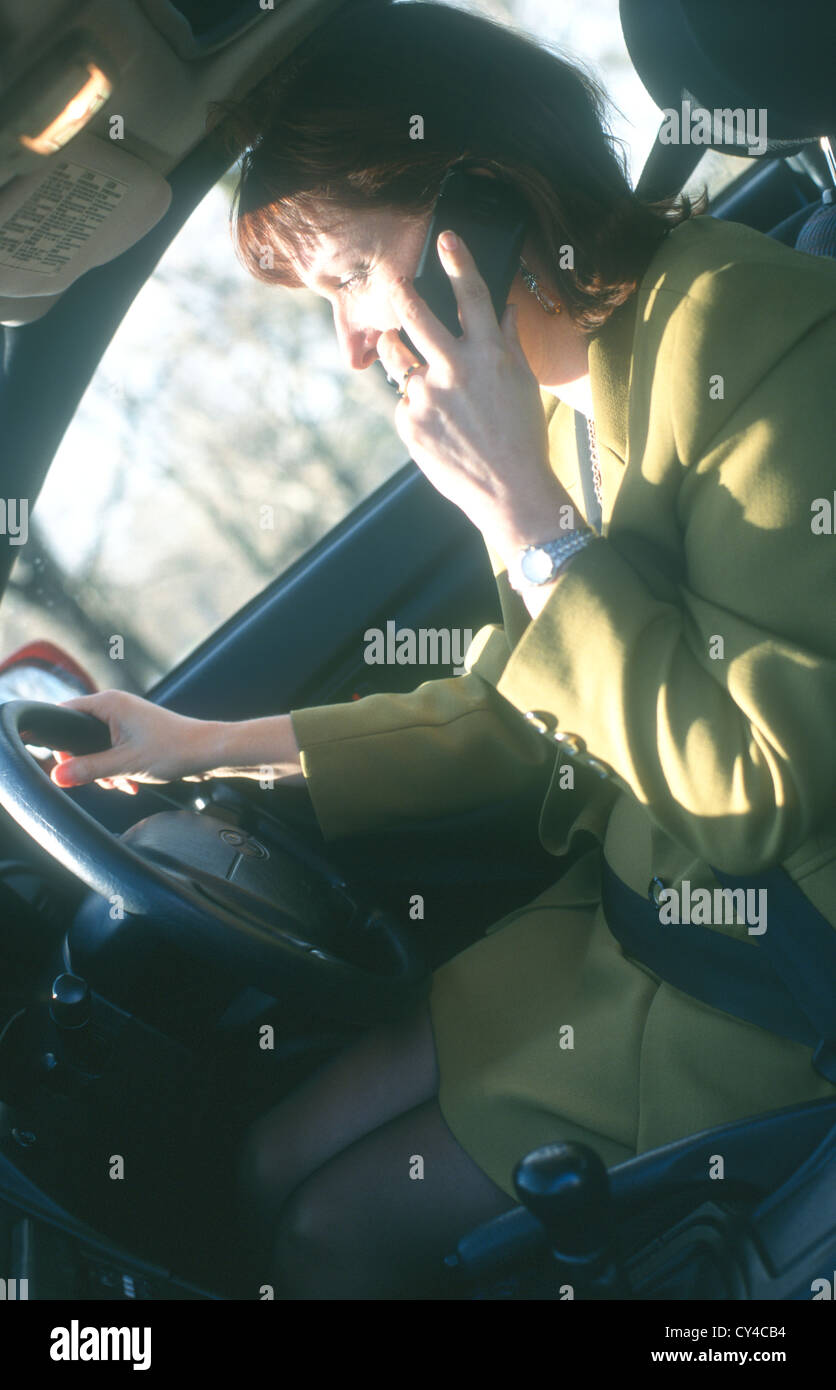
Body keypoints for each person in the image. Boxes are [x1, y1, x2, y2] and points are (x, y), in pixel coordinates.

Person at [50, 1, 836, 1299]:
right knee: (259, 1165)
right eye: (324, 298)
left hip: (761, 991)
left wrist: (529, 522)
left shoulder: (757, 330)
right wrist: (198, 742)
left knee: (319, 1236)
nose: (352, 339)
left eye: (352, 273)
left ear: (488, 196)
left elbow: (749, 784)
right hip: (620, 944)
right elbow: (522, 717)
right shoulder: (560, 392)